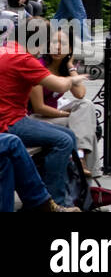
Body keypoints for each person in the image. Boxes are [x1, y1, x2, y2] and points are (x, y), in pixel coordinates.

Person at [1, 29, 88, 207]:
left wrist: (70, 70)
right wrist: (75, 76)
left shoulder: (9, 50)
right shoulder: (24, 59)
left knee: (70, 134)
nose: (48, 48)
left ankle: (62, 193)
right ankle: (53, 201)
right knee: (64, 140)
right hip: (10, 121)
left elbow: (80, 94)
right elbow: (59, 85)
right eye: (47, 42)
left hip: (14, 117)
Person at [27, 23, 98, 177]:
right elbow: (39, 107)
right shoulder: (39, 66)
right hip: (35, 119)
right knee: (84, 124)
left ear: (70, 49)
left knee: (86, 106)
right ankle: (84, 168)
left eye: (63, 43)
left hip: (53, 116)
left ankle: (79, 158)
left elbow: (80, 94)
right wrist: (68, 115)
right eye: (54, 42)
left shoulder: (64, 69)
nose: (57, 47)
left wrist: (70, 65)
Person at [1, 132, 79, 211]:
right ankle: (43, 203)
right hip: (7, 123)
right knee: (64, 141)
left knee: (5, 161)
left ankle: (45, 203)